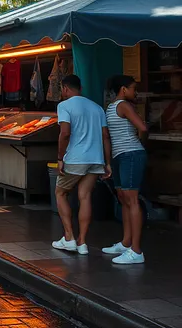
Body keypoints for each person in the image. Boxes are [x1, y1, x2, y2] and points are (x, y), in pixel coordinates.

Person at [52, 75, 111, 256]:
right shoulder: (97, 108)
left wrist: (60, 157)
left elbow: (65, 133)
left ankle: (69, 237)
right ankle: (82, 242)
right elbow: (105, 136)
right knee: (84, 196)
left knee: (60, 193)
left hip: (76, 158)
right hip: (96, 159)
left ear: (65, 88)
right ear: (81, 88)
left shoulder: (64, 106)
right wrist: (108, 163)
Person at [103, 75, 149, 264]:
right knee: (123, 198)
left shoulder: (120, 106)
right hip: (122, 155)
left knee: (131, 200)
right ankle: (126, 242)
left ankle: (136, 251)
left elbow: (142, 128)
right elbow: (143, 129)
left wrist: (138, 144)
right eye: (133, 88)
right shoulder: (119, 106)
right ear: (123, 89)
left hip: (130, 154)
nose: (135, 92)